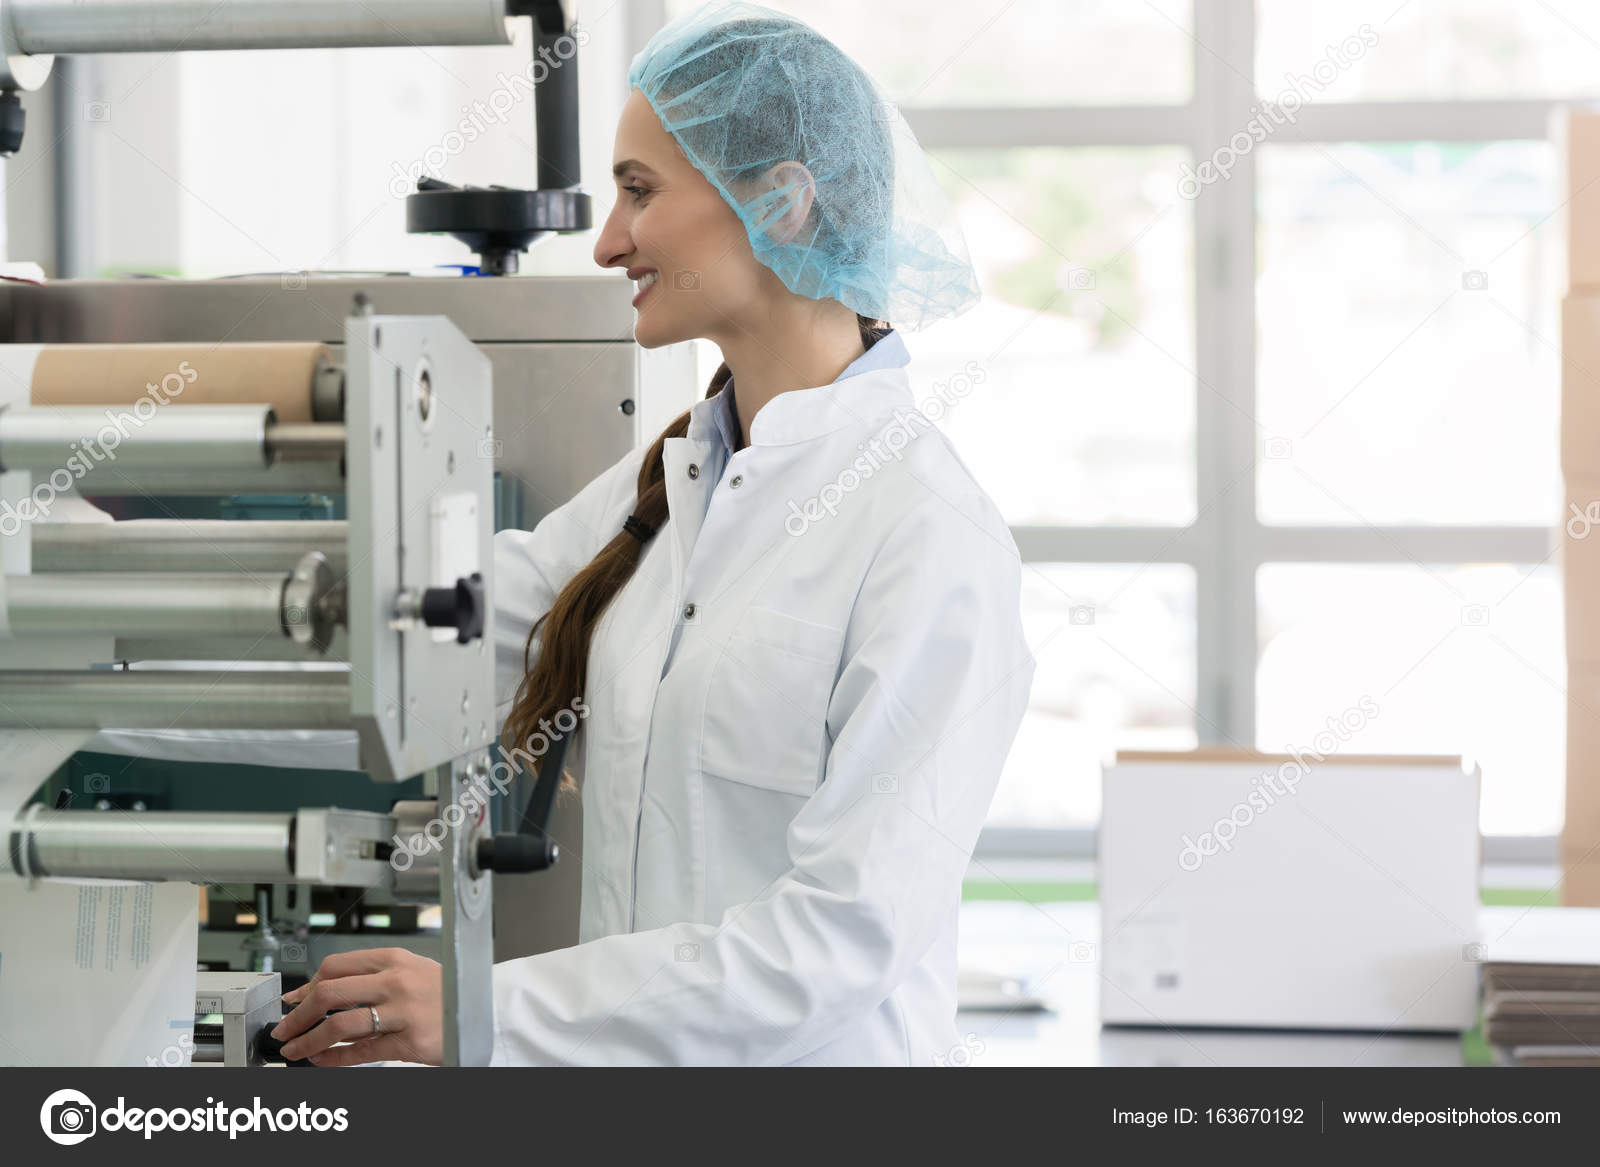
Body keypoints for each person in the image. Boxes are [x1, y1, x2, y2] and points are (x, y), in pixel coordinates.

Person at [272, 0, 1034, 1067]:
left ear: (780, 200)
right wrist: (70, 652)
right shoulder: (662, 491)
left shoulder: (924, 536)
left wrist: (487, 1014)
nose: (606, 240)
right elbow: (404, 659)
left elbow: (836, 942)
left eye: (639, 190)